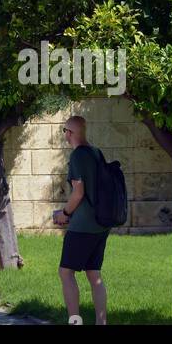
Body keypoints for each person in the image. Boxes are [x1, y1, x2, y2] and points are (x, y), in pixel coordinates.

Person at [52, 115, 109, 325]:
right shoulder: (96, 153)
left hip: (82, 225)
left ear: (70, 133)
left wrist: (63, 214)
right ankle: (101, 323)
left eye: (65, 131)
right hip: (101, 224)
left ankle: (75, 321)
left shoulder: (77, 156)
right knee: (94, 275)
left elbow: (78, 193)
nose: (65, 135)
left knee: (66, 272)